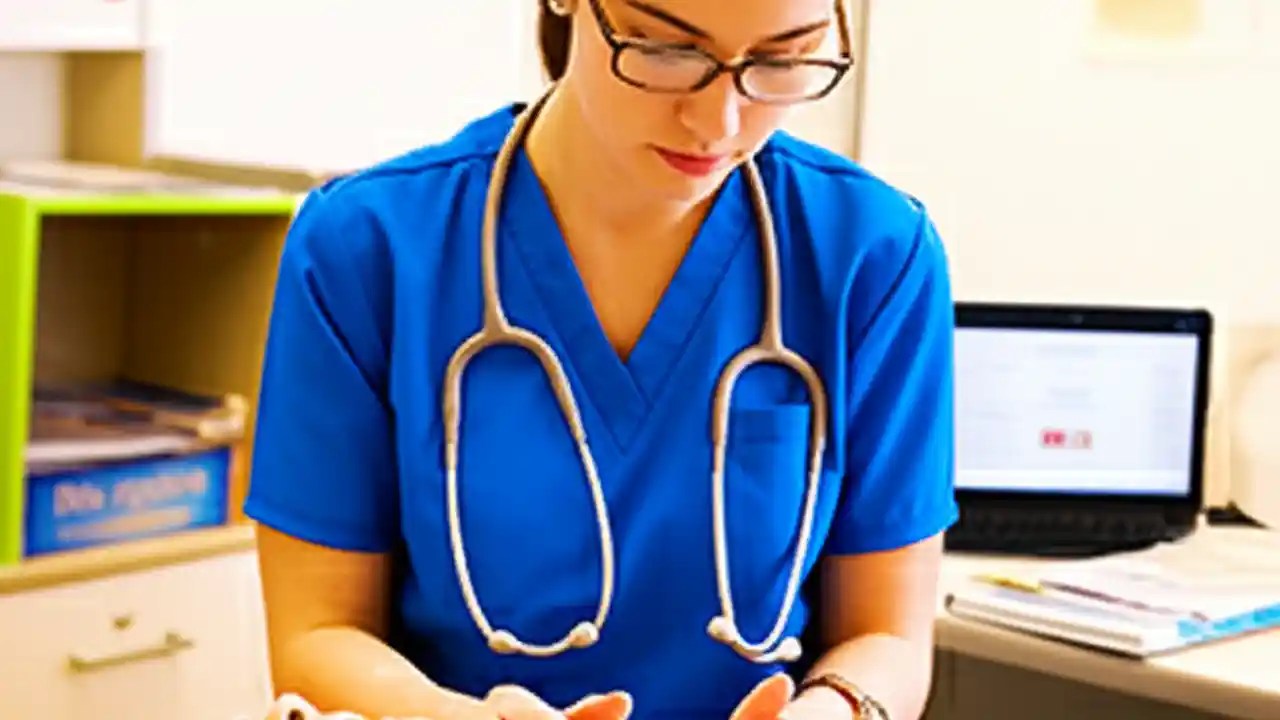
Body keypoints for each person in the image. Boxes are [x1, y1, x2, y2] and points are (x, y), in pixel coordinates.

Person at [246, 0, 958, 718]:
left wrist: (828, 711)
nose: (721, 122)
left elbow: (888, 638)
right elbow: (317, 633)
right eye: (666, 51)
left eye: (780, 62)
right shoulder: (369, 250)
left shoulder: (874, 256)